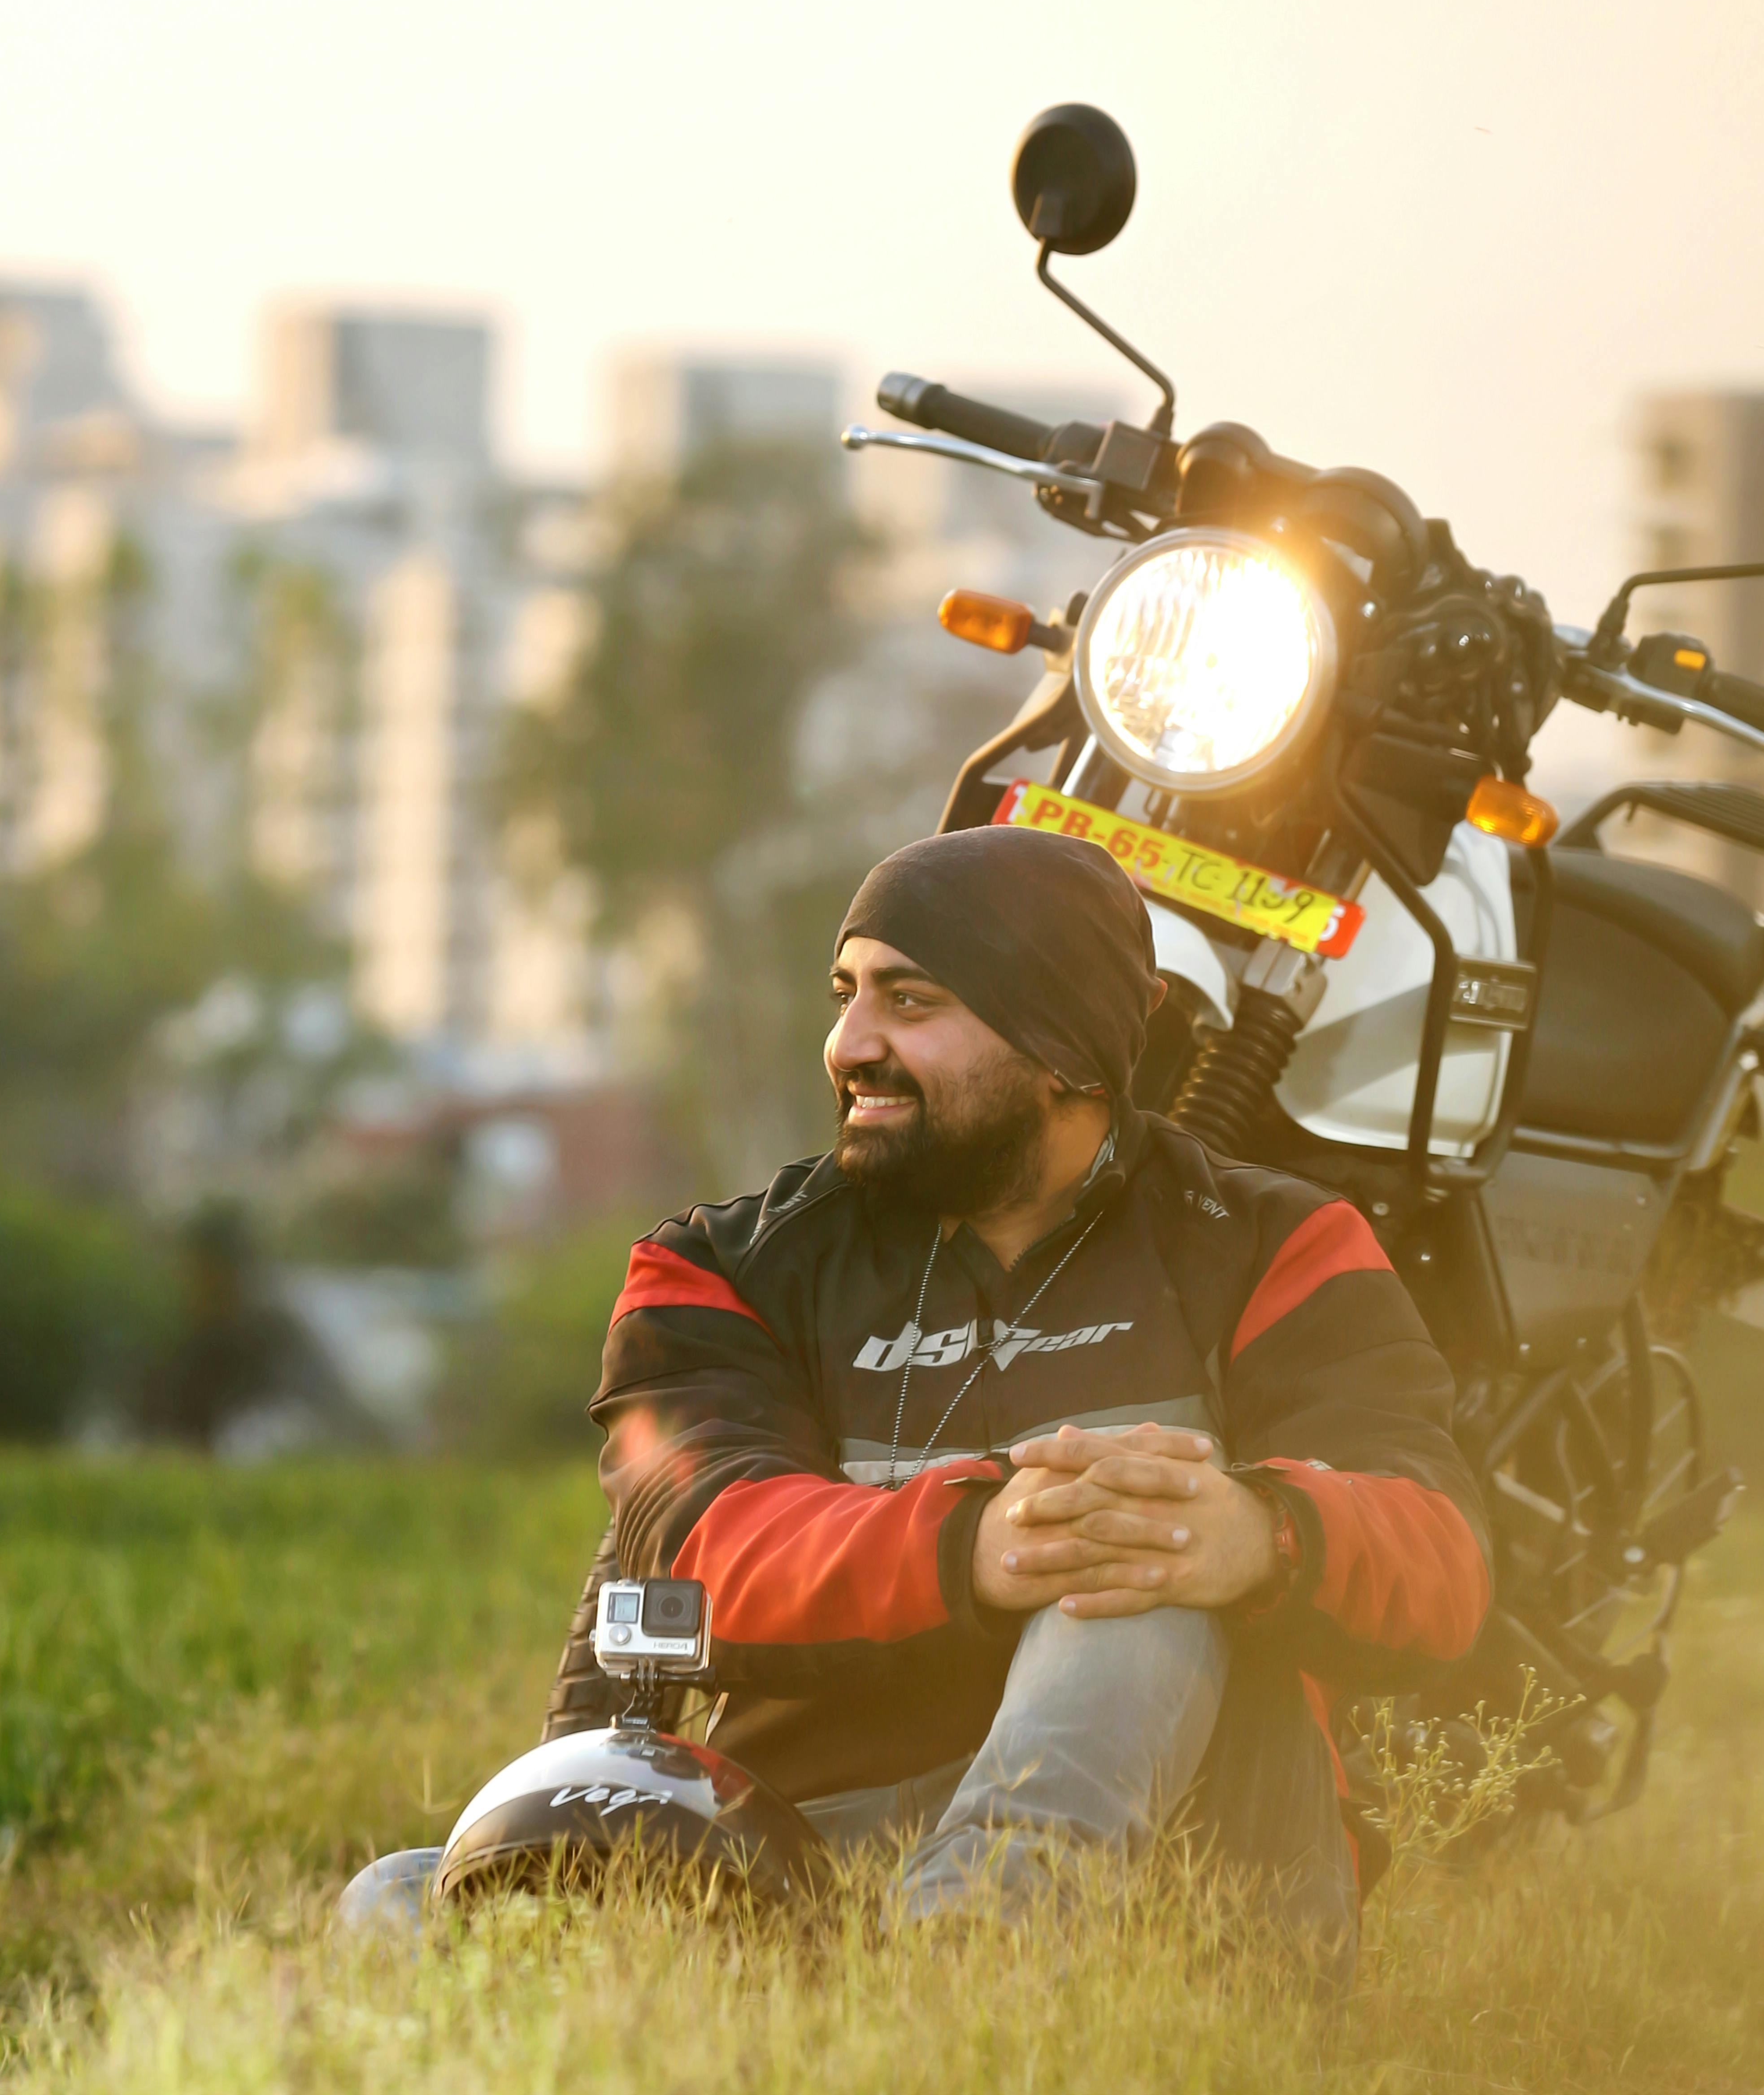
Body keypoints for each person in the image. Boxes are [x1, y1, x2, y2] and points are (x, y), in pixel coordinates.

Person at [593, 824, 1491, 1967]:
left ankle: (978, 1959)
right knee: (396, 1897)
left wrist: (1261, 1532)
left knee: (1144, 1553)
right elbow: (686, 1547)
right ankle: (928, 1973)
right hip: (796, 1865)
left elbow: (1448, 1567)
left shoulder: (1283, 1246)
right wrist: (976, 1538)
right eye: (846, 994)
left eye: (909, 1003)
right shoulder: (726, 1267)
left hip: (1193, 1898)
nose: (849, 1045)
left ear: (1064, 1048)